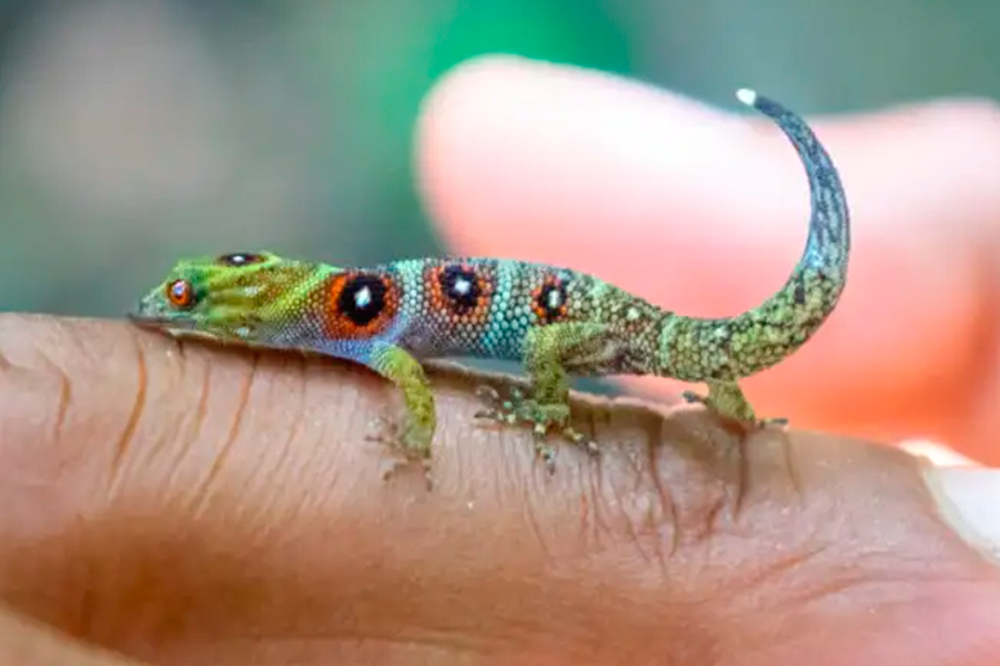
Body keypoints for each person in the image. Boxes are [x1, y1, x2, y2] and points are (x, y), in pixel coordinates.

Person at [1, 55, 997, 665]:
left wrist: (443, 436)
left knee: (618, 360)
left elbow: (406, 378)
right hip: (631, 325)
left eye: (184, 301)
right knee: (711, 367)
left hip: (586, 324)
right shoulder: (328, 309)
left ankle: (604, 409)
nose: (163, 312)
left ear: (242, 303)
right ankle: (732, 413)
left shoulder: (349, 323)